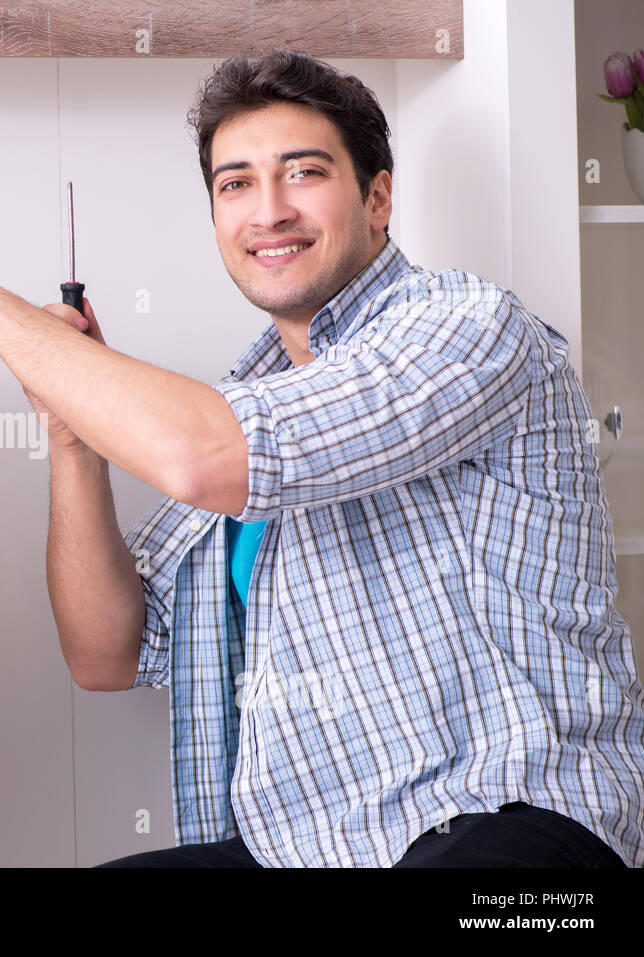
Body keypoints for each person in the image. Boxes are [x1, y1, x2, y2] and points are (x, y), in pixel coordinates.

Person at [61, 49, 640, 867]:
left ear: (377, 198)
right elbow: (106, 654)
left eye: (302, 173)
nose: (268, 210)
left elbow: (207, 458)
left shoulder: (466, 327)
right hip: (315, 849)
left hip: (512, 831)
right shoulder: (249, 398)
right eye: (235, 184)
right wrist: (73, 433)